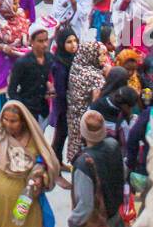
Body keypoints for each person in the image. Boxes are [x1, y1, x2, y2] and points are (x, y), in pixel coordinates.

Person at [67, 110, 127, 227]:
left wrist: (73, 221)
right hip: (113, 213)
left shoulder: (84, 163)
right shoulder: (113, 145)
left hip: (94, 222)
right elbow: (123, 172)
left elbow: (85, 204)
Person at [65, 38, 110, 163]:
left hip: (73, 115)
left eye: (104, 54)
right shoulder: (95, 76)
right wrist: (108, 76)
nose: (104, 58)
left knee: (75, 143)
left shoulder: (77, 65)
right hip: (87, 119)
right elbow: (97, 102)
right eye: (100, 54)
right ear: (91, 55)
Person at [7, 22, 53, 126]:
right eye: (40, 41)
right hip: (28, 112)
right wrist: (23, 109)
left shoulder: (50, 58)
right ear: (31, 41)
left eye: (46, 40)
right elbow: (12, 91)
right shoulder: (22, 63)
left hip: (44, 110)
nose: (45, 44)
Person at [49, 26, 78, 166]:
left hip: (69, 104)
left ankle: (56, 161)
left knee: (62, 134)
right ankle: (55, 163)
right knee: (61, 134)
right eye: (69, 42)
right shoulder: (59, 65)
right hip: (63, 106)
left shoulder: (72, 58)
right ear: (61, 44)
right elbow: (60, 91)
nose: (73, 45)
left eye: (74, 41)